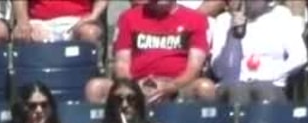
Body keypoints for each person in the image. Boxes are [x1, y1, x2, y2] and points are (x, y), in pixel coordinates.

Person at [86, 0, 218, 105]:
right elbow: (122, 65)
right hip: (136, 84)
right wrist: (135, 87)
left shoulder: (196, 19)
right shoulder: (128, 18)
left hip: (179, 86)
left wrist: (171, 86)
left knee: (205, 87)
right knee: (96, 87)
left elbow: (194, 69)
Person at [208, 0, 308, 106]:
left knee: (264, 91)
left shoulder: (281, 15)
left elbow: (300, 57)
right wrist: (233, 34)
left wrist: (274, 75)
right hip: (233, 86)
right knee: (238, 92)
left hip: (272, 83)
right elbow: (219, 71)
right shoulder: (224, 20)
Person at [13, 0, 106, 44]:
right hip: (40, 22)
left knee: (90, 33)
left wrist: (94, 15)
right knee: (22, 35)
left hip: (78, 21)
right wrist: (23, 22)